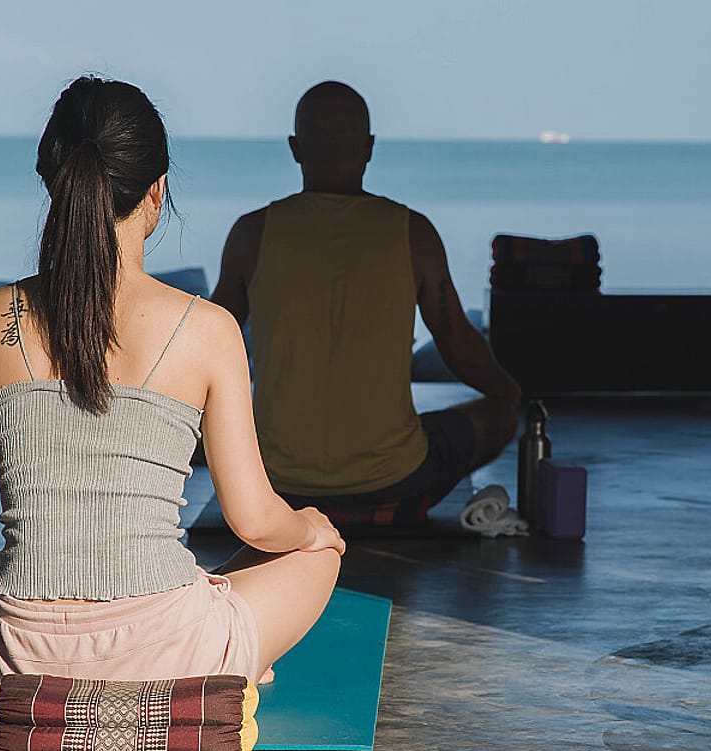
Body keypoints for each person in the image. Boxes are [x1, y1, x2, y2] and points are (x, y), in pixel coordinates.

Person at [0, 76, 344, 706]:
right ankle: (222, 660)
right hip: (175, 661)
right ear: (156, 191)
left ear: (53, 184)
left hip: (17, 671)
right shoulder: (209, 330)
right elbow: (253, 519)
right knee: (315, 556)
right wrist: (310, 529)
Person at [211, 81, 522, 525]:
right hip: (397, 479)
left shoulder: (251, 234)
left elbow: (213, 342)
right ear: (370, 147)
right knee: (497, 417)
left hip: (274, 482)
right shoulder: (414, 233)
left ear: (296, 148)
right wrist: (510, 393)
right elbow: (457, 345)